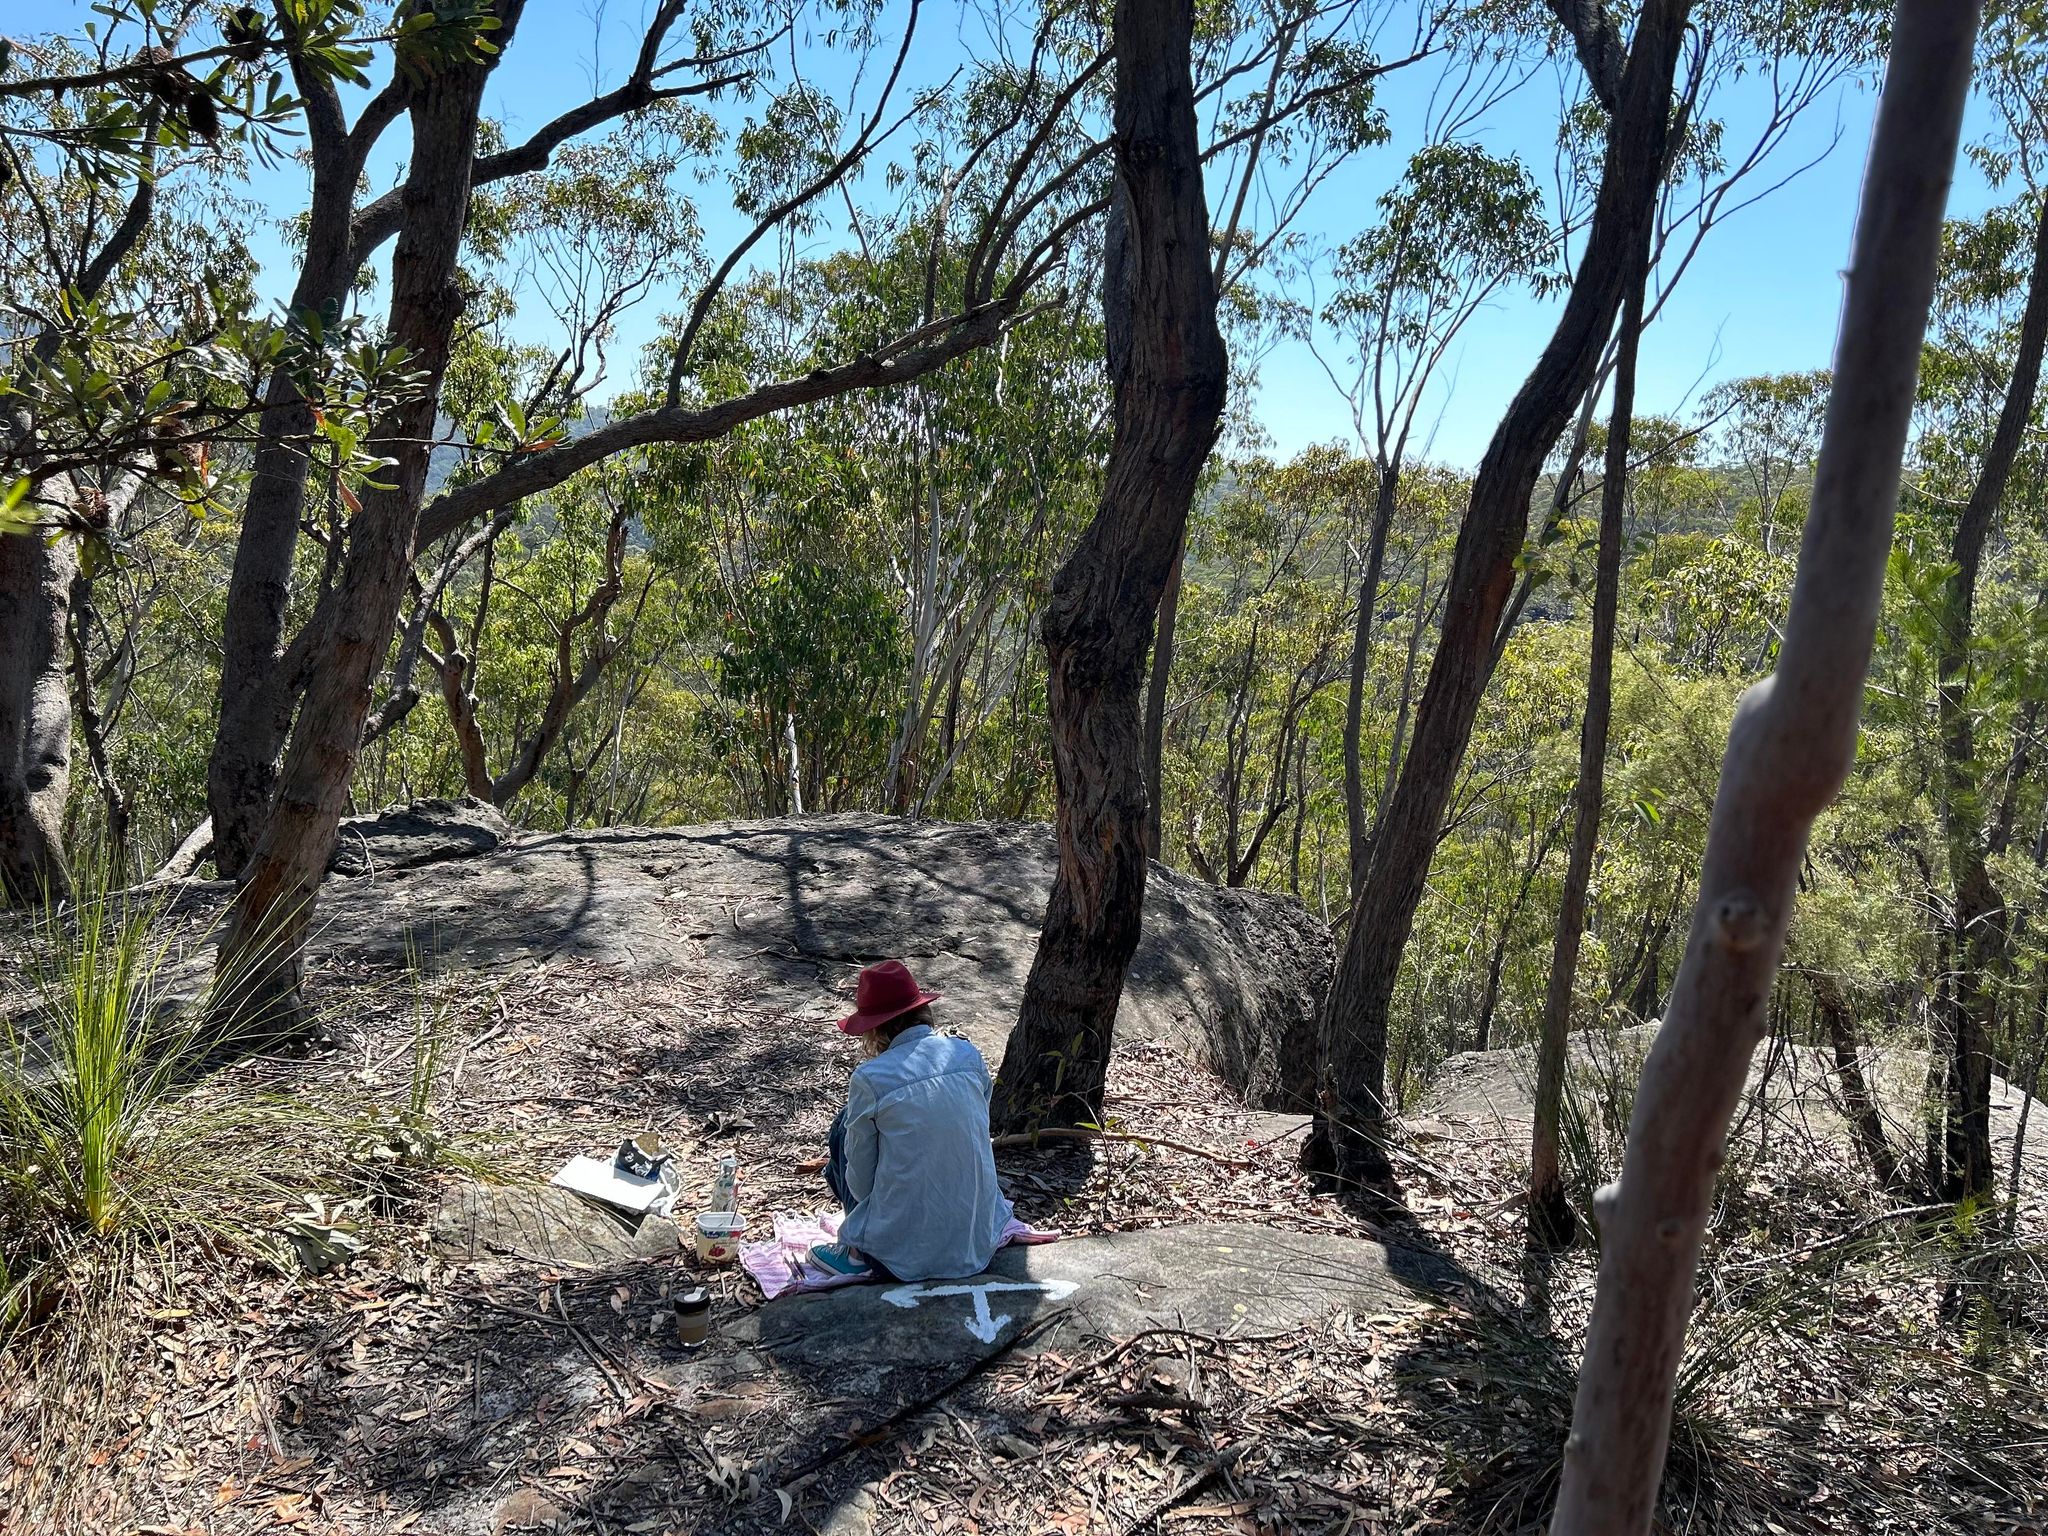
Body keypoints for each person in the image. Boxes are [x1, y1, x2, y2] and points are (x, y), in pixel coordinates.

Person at [804, 960, 1013, 1282]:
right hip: (977, 1235)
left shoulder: (871, 1077)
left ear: (874, 1029)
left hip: (900, 1255)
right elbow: (976, 1127)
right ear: (922, 1011)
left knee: (844, 1126)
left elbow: (859, 1179)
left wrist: (869, 1211)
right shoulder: (967, 1054)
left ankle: (858, 1253)